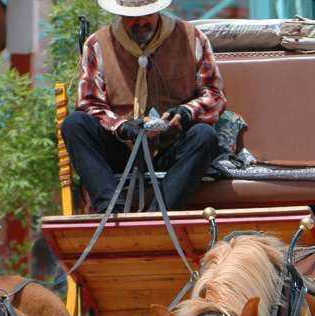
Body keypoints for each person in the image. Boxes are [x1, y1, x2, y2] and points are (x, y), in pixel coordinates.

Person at [61, 0, 225, 212]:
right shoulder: (97, 45)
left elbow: (214, 94)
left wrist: (185, 112)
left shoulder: (192, 38)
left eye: (147, 14)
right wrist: (123, 127)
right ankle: (112, 211)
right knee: (74, 124)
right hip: (120, 150)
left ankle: (157, 215)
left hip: (171, 148)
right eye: (132, 16)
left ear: (158, 10)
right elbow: (88, 104)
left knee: (204, 136)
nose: (140, 22)